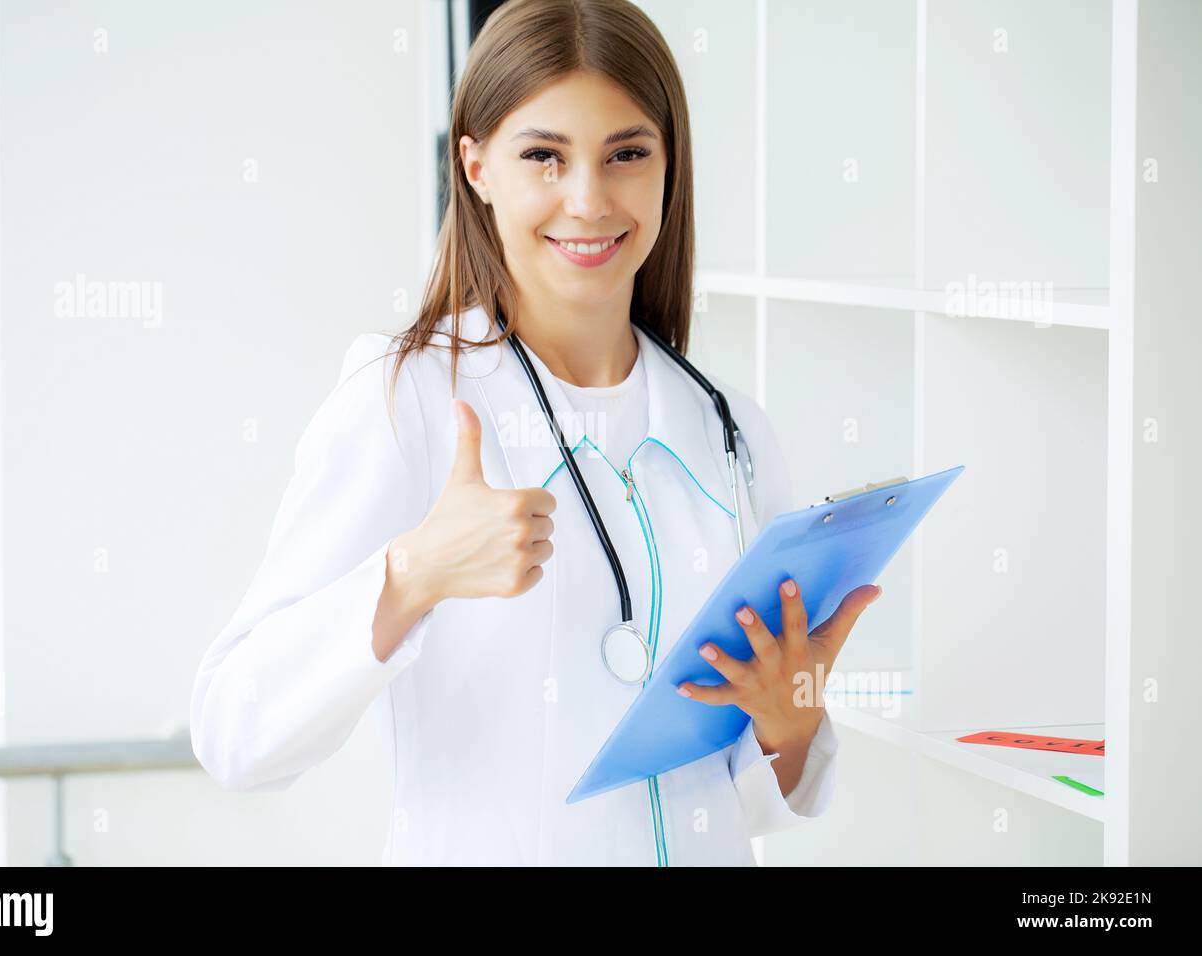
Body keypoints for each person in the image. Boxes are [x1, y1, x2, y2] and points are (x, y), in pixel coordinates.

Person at [190, 0, 880, 866]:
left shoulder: (728, 427)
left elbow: (737, 796)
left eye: (627, 154)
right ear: (475, 166)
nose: (588, 200)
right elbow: (234, 737)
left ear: (670, 166)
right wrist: (413, 574)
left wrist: (789, 720)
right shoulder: (409, 397)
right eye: (543, 157)